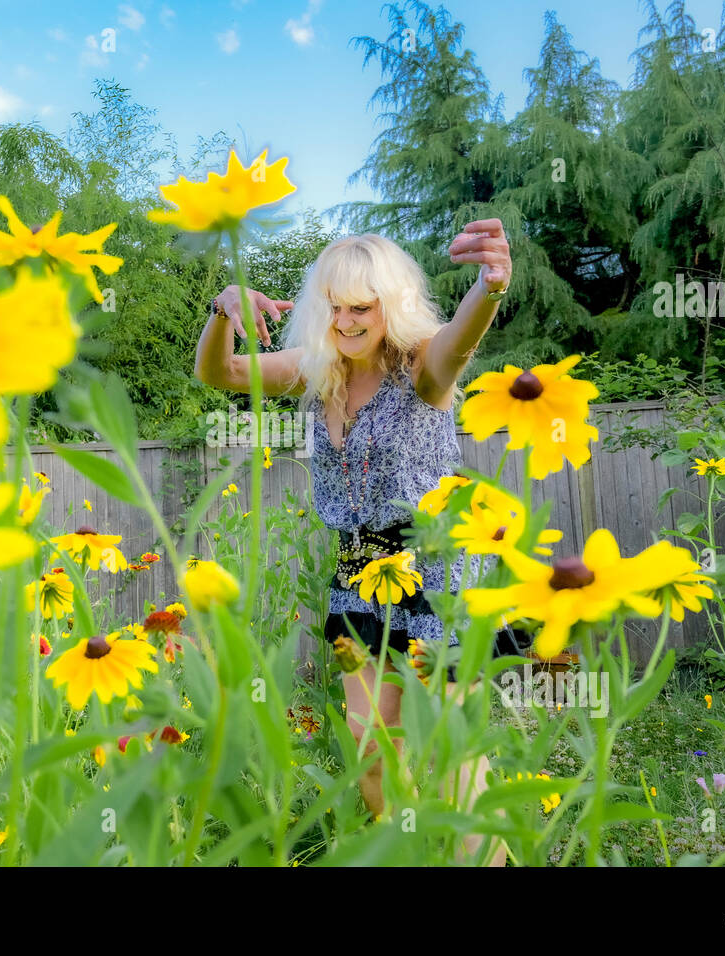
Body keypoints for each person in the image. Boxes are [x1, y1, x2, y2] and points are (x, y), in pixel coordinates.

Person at [194, 221, 513, 865]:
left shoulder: (423, 367)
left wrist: (490, 286)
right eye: (334, 306)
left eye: (360, 306)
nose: (345, 320)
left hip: (436, 572)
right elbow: (219, 372)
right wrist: (222, 308)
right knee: (370, 747)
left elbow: (459, 342)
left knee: (450, 748)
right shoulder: (317, 373)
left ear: (387, 306)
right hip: (357, 571)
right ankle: (403, 853)